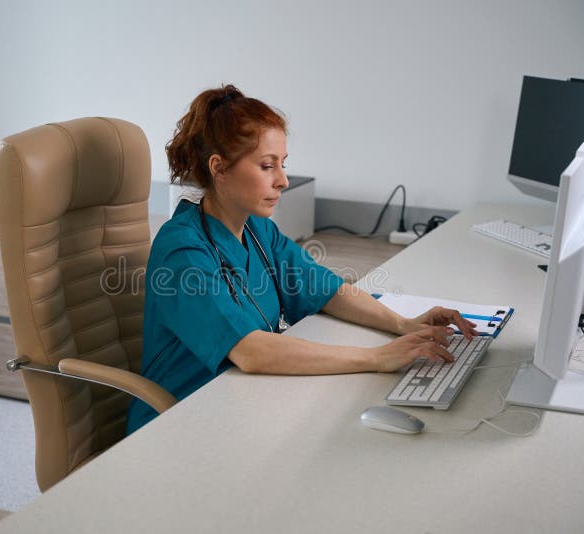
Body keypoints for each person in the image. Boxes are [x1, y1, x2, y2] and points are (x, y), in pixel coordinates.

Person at [125, 85, 477, 434]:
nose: (282, 180)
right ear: (219, 168)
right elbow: (252, 352)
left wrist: (402, 324)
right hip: (177, 423)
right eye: (267, 166)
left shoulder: (258, 231)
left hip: (238, 405)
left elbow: (328, 290)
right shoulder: (182, 251)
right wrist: (377, 358)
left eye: (282, 164)